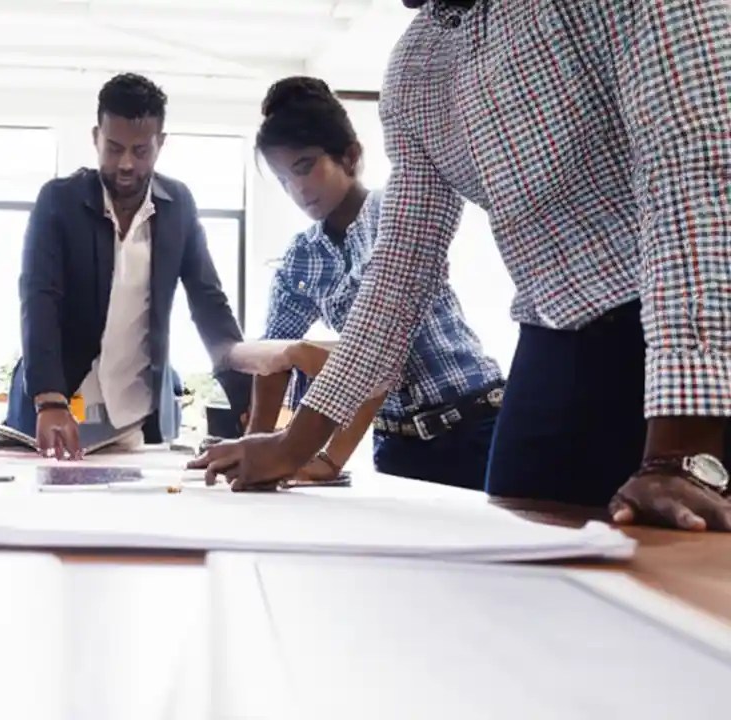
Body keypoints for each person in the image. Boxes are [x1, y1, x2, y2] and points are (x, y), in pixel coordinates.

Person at [193, 0, 731, 532]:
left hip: (692, 318)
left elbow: (696, 182)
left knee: (685, 570)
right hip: (552, 336)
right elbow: (399, 276)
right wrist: (294, 444)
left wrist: (682, 453)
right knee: (521, 547)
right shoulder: (417, 68)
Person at [248, 76, 504, 490]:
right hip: (395, 442)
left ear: (350, 157)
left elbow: (380, 346)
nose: (297, 189)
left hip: (474, 424)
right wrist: (255, 449)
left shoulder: (394, 213)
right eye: (282, 180)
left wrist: (325, 457)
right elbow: (274, 353)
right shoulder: (302, 256)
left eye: (305, 166)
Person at [5, 73, 250, 457]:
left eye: (140, 151)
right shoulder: (59, 201)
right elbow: (39, 298)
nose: (126, 163)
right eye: (114, 147)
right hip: (59, 409)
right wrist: (49, 400)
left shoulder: (178, 206)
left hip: (135, 420)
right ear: (95, 137)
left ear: (161, 144)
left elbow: (208, 303)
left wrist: (242, 394)